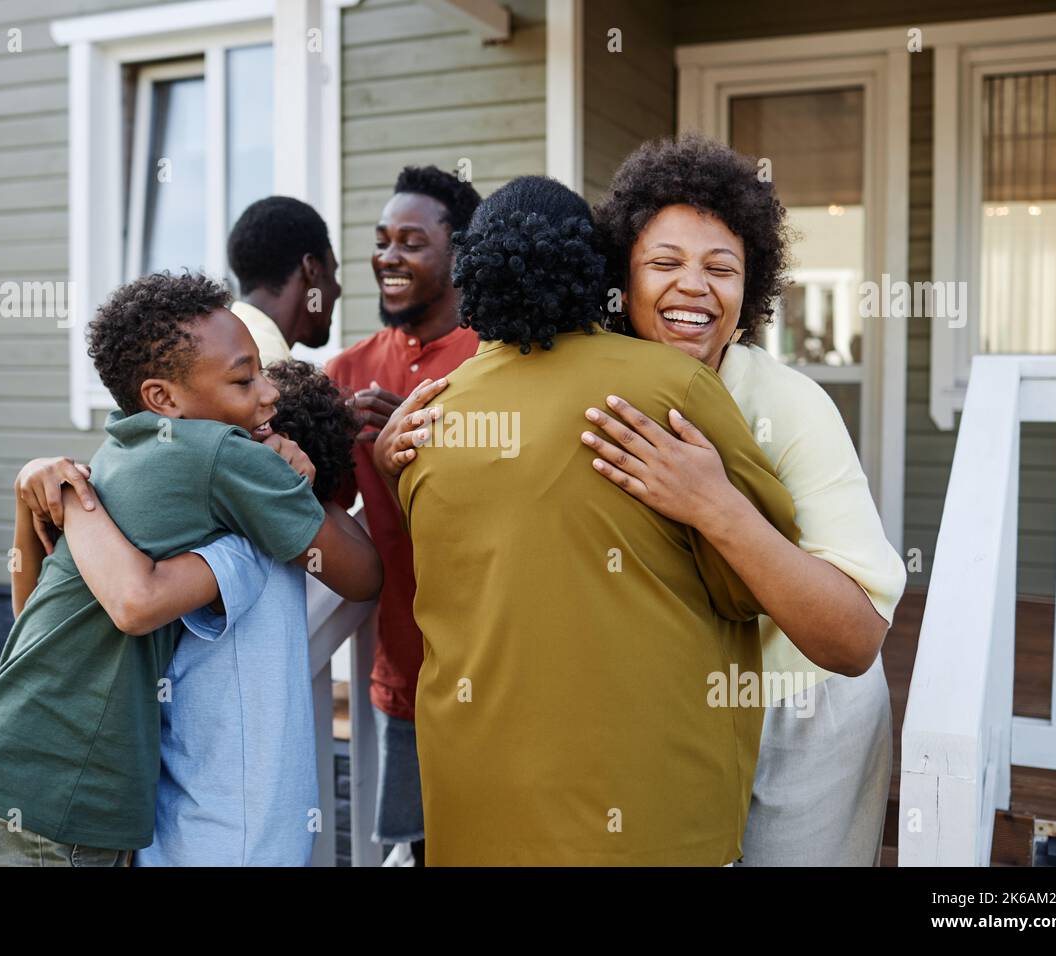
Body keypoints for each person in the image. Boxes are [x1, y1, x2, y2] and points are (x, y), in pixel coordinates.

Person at [373, 176, 799, 865]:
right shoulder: (674, 386)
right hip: (651, 817)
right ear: (600, 271)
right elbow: (755, 582)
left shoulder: (427, 416)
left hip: (473, 810)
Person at [0, 272, 371, 867]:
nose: (268, 396)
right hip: (42, 819)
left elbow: (30, 616)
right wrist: (297, 486)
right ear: (162, 398)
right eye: (243, 379)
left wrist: (33, 492)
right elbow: (364, 576)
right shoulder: (226, 456)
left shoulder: (118, 458)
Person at [586, 134, 907, 865]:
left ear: (749, 288)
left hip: (801, 712)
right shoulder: (592, 385)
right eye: (664, 263)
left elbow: (854, 639)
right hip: (666, 713)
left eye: (721, 268)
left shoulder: (792, 407)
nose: (694, 286)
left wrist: (717, 505)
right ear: (621, 279)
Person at [11, 359, 379, 867]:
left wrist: (72, 500)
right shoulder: (202, 527)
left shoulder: (244, 546)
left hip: (220, 838)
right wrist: (34, 485)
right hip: (211, 826)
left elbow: (132, 601)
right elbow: (37, 616)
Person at [325, 165, 480, 865]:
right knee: (419, 851)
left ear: (460, 252)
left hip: (499, 667)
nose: (388, 256)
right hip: (405, 668)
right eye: (382, 239)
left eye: (411, 241)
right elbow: (314, 506)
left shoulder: (493, 359)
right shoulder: (347, 371)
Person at [226, 196, 341, 364]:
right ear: (312, 271)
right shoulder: (266, 360)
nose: (337, 290)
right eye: (332, 274)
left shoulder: (228, 342)